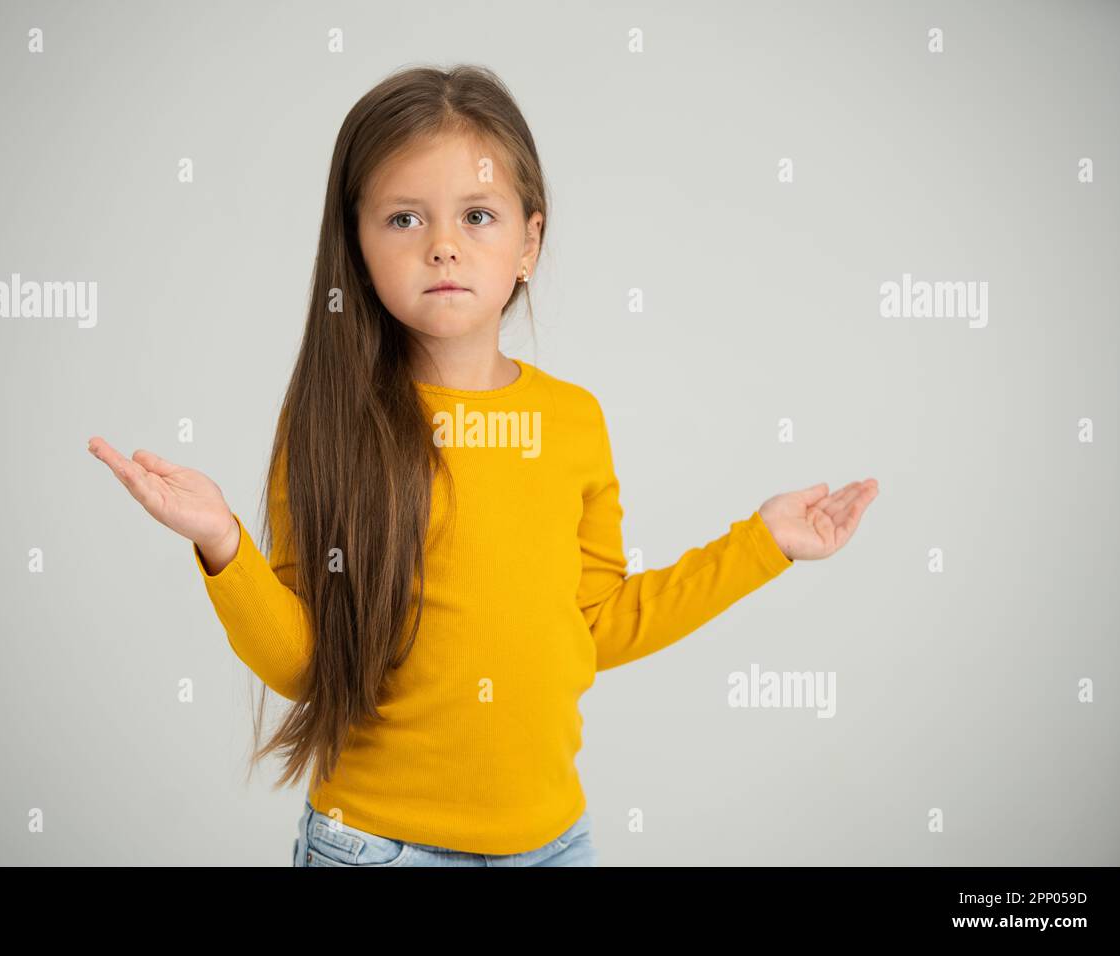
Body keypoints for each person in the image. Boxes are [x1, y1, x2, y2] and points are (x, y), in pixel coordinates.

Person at [87, 64, 879, 867]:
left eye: (477, 215)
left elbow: (597, 624)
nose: (443, 246)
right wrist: (222, 542)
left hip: (555, 846)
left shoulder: (574, 421)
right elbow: (305, 666)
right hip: (375, 848)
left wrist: (761, 545)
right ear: (357, 247)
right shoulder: (330, 420)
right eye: (403, 218)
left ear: (528, 242)